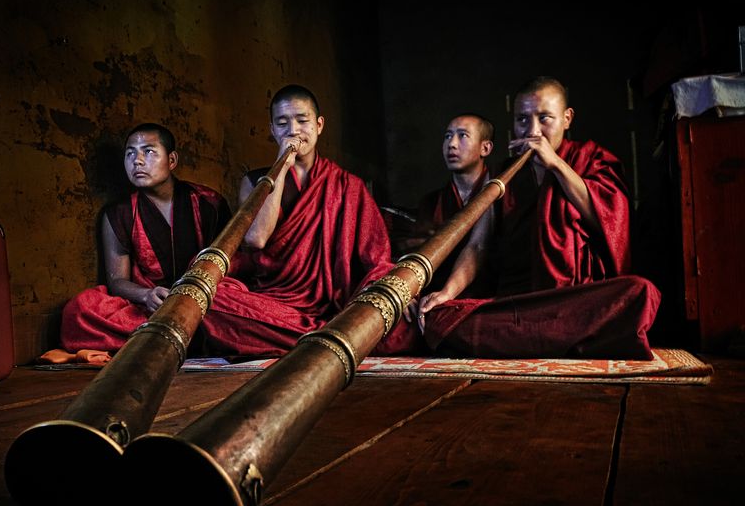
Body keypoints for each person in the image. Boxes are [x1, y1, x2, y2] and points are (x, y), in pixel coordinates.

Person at [416, 76, 661, 360]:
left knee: (639, 292)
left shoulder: (590, 160)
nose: (533, 131)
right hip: (521, 305)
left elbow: (606, 220)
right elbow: (478, 246)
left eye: (545, 118)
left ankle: (537, 340)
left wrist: (555, 164)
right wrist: (447, 293)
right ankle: (567, 340)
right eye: (522, 120)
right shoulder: (503, 176)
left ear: (567, 118)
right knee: (442, 318)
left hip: (575, 299)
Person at [201, 84, 420, 357]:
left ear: (319, 125)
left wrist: (397, 290)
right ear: (272, 130)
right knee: (209, 299)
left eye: (302, 121)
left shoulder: (346, 185)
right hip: (271, 302)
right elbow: (256, 239)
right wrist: (281, 167)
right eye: (282, 123)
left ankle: (325, 334)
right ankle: (335, 338)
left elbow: (376, 256)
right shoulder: (254, 181)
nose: (293, 130)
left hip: (334, 304)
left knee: (397, 320)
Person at [59, 123, 232, 354]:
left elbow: (233, 266)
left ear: (172, 160)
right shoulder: (119, 213)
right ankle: (180, 337)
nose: (137, 161)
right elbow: (117, 280)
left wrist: (197, 296)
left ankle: (166, 338)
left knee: (241, 306)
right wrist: (146, 295)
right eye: (130, 153)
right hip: (151, 309)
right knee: (79, 309)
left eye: (148, 151)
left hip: (208, 304)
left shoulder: (208, 203)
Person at [410, 113, 494, 292]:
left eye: (463, 135)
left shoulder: (502, 194)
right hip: (441, 295)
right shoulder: (431, 203)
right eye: (448, 136)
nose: (452, 144)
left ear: (485, 148)